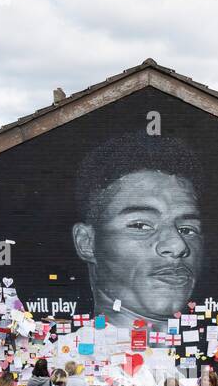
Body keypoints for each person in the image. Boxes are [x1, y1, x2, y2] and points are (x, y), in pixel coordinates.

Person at [71, 133, 203, 328]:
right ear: (87, 243)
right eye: (140, 225)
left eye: (187, 229)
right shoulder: (68, 356)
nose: (177, 245)